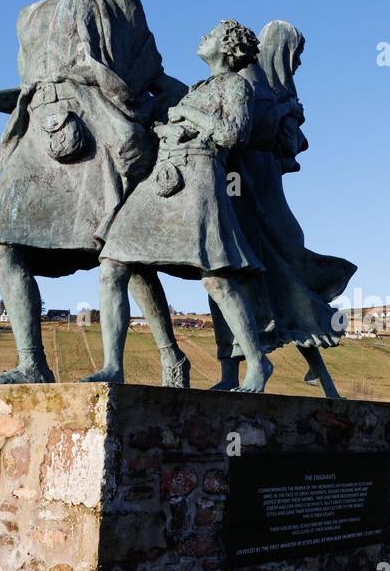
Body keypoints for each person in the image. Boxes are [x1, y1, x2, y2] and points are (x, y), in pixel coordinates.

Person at [0, 0, 190, 386]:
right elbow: (26, 90)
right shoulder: (26, 16)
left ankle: (171, 357)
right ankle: (31, 363)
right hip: (38, 135)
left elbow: (147, 72)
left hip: (101, 127)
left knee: (121, 251)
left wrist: (189, 111)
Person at [94, 20, 273, 392]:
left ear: (226, 46)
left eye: (208, 34)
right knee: (115, 261)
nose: (201, 37)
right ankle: (113, 366)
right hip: (162, 177)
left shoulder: (237, 85)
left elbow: (232, 134)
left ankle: (257, 362)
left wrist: (186, 115)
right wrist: (165, 127)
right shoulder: (196, 88)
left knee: (216, 279)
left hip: (200, 176)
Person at [209, 20, 356, 396]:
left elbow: (291, 147)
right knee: (232, 281)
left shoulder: (264, 95)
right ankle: (234, 371)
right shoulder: (250, 89)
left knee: (269, 282)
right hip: (241, 189)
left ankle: (255, 372)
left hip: (254, 189)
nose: (299, 65)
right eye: (297, 56)